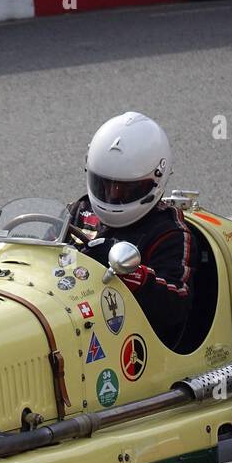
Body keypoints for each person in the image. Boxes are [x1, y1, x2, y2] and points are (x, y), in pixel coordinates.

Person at [69, 112, 195, 348]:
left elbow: (176, 304)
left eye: (126, 189)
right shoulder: (80, 211)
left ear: (155, 179)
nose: (114, 195)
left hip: (133, 344)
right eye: (105, 185)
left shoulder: (169, 232)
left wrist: (130, 272)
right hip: (74, 320)